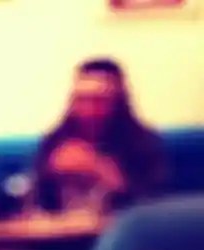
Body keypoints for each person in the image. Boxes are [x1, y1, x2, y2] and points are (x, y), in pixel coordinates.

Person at [34, 58, 166, 214]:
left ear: (118, 102)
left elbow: (156, 208)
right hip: (60, 234)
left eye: (99, 101)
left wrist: (105, 173)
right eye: (81, 100)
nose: (89, 109)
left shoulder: (143, 144)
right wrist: (49, 173)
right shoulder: (55, 142)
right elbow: (35, 204)